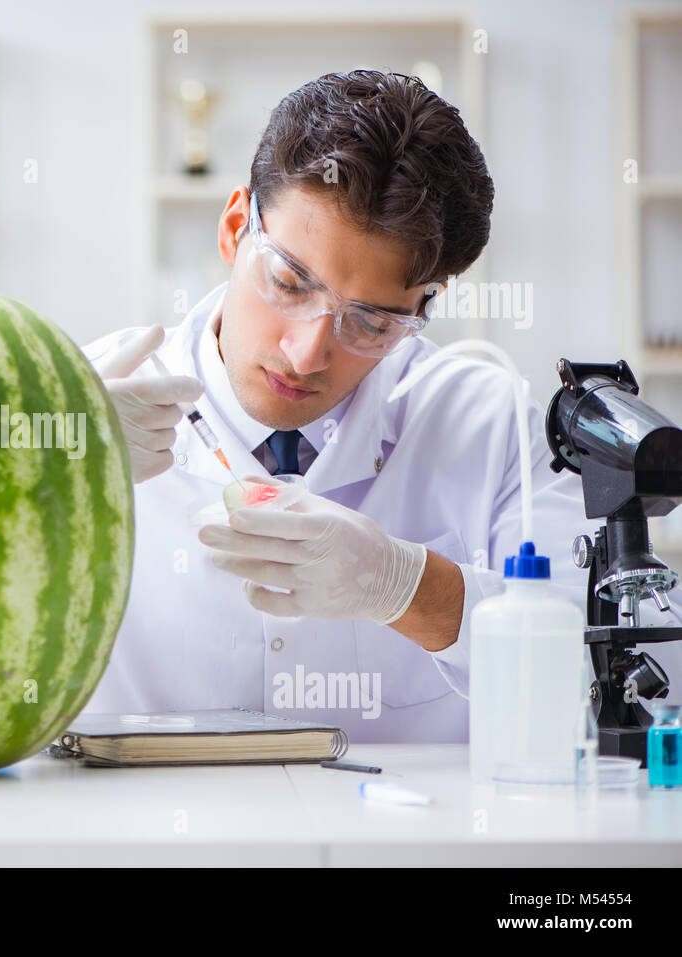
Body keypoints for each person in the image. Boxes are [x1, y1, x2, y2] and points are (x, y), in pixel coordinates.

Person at [82, 70, 594, 742]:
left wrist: (406, 586)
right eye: (289, 282)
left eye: (372, 323)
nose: (307, 353)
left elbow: (591, 672)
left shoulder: (489, 420)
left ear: (424, 308)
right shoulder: (80, 402)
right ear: (236, 226)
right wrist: (26, 480)